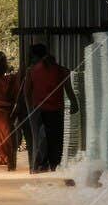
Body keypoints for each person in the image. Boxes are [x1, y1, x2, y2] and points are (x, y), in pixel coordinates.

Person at [23, 43, 77, 173]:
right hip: (56, 110)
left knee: (39, 138)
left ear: (35, 56)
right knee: (56, 138)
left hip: (38, 109)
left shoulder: (31, 71)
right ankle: (54, 165)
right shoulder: (62, 70)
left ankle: (39, 166)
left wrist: (30, 109)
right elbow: (69, 90)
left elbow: (26, 92)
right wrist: (74, 103)